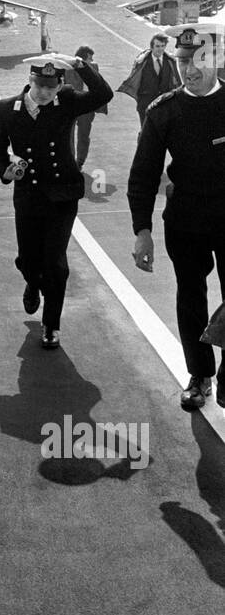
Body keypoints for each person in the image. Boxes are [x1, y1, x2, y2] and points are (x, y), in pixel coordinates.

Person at [128, 27, 225, 410]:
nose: (189, 69)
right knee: (191, 298)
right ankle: (200, 375)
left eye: (198, 61)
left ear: (216, 60)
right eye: (184, 61)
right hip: (186, 221)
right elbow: (144, 174)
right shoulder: (165, 111)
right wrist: (142, 231)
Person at [0, 53, 113, 349]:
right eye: (39, 85)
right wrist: (4, 169)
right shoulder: (8, 108)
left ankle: (51, 325)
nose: (44, 93)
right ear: (30, 81)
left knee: (55, 262)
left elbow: (103, 94)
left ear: (59, 85)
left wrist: (80, 65)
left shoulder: (67, 100)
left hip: (62, 194)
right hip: (28, 194)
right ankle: (33, 281)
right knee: (27, 259)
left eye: (51, 87)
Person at [117, 33, 181, 127]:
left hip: (164, 104)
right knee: (145, 132)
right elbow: (135, 78)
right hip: (145, 103)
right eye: (157, 46)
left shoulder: (170, 61)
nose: (160, 49)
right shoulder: (142, 61)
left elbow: (177, 80)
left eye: (163, 46)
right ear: (152, 47)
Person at [65, 45, 108, 168]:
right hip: (72, 106)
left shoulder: (94, 67)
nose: (92, 61)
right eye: (90, 58)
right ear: (82, 59)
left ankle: (80, 161)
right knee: (69, 135)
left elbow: (99, 84)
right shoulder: (68, 68)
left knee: (84, 135)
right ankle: (71, 161)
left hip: (87, 107)